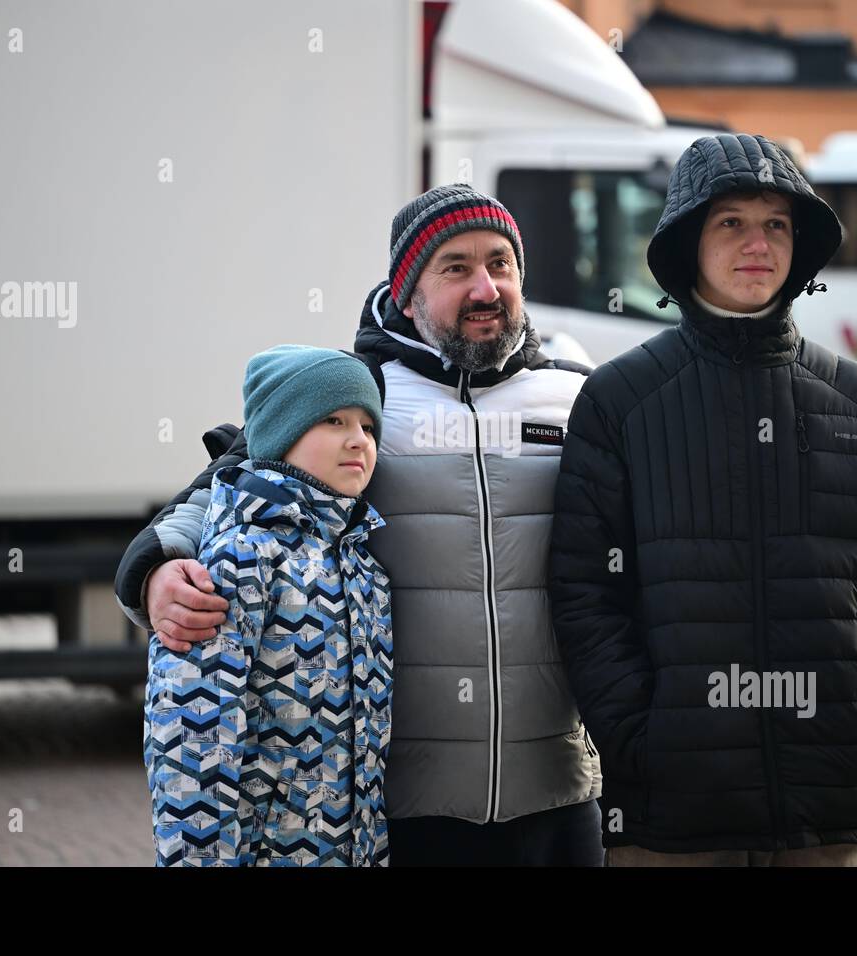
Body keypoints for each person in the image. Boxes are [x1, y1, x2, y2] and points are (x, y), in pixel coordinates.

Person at [122, 186, 604, 866]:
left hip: (558, 799)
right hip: (403, 812)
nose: (485, 286)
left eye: (501, 263)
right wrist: (157, 569)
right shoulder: (359, 396)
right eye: (455, 268)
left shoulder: (580, 396)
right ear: (406, 294)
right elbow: (230, 485)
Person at [548, 133, 857, 866]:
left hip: (827, 819)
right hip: (670, 820)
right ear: (686, 243)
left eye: (776, 224)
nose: (756, 243)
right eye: (730, 221)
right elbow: (583, 591)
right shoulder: (620, 401)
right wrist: (643, 737)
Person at [144, 345, 392, 865]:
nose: (358, 440)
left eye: (369, 427)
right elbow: (192, 742)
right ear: (282, 432)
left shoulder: (365, 568)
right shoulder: (240, 559)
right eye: (333, 419)